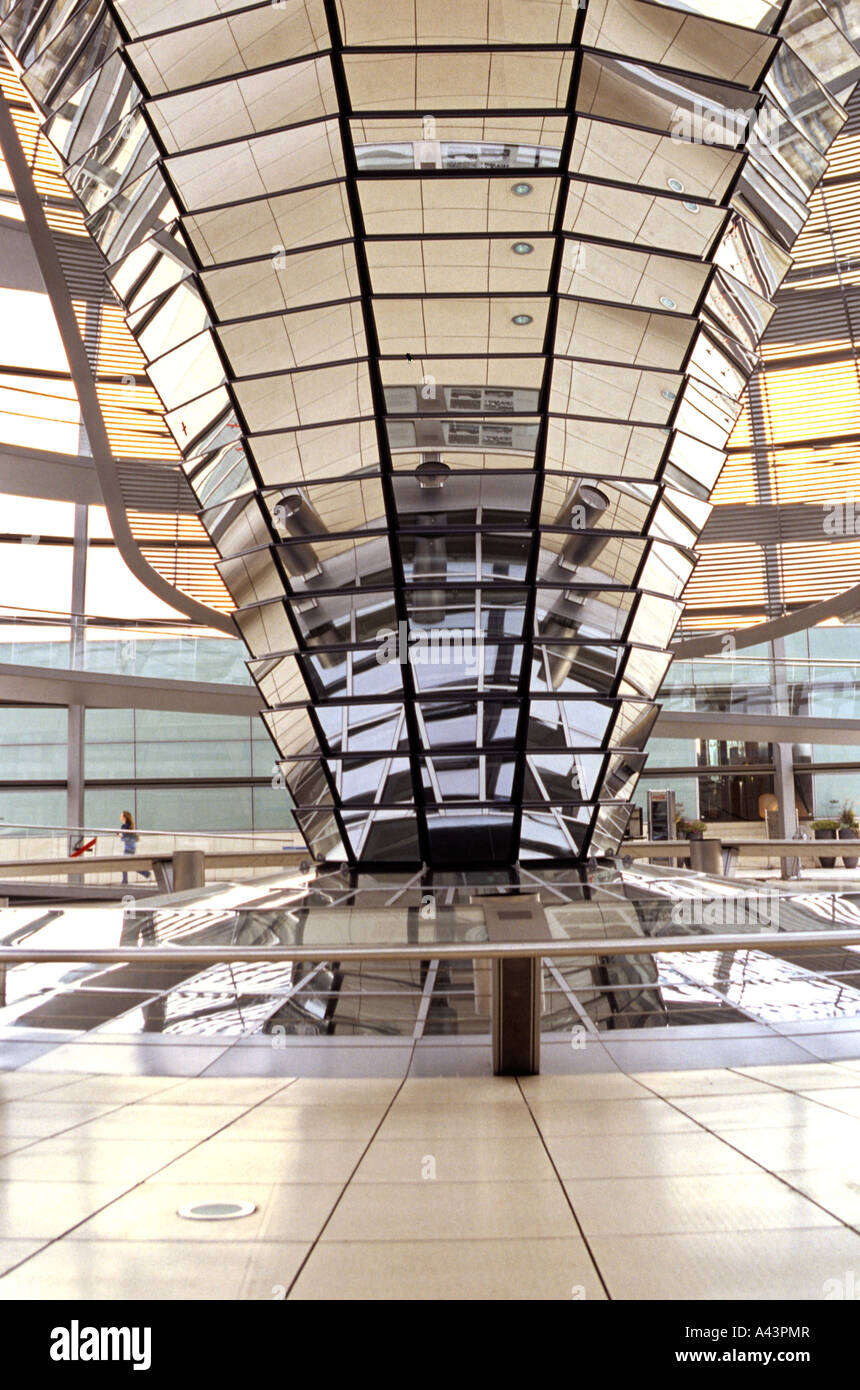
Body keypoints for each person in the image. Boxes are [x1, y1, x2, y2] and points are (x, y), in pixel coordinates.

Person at [118, 811, 150, 884]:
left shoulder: (124, 826)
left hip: (128, 847)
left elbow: (124, 837)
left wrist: (119, 835)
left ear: (124, 817)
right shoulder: (130, 825)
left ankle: (125, 881)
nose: (120, 817)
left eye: (121, 815)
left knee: (125, 865)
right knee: (129, 864)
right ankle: (146, 873)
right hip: (132, 846)